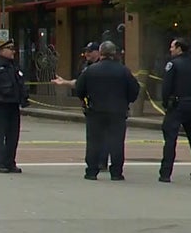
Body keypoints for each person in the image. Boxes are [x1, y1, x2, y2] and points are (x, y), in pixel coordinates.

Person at [74, 41, 140, 180]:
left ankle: (91, 171)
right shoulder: (123, 70)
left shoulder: (91, 70)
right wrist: (126, 101)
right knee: (117, 142)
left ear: (101, 53)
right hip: (117, 112)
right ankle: (116, 172)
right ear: (114, 53)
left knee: (94, 141)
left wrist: (86, 99)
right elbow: (134, 90)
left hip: (95, 111)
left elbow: (79, 89)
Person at [53, 42, 108, 170]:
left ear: (98, 52)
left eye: (90, 51)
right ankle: (95, 161)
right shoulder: (86, 67)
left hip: (102, 106)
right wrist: (65, 82)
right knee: (94, 136)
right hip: (91, 106)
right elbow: (80, 83)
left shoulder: (102, 67)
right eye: (86, 51)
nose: (87, 54)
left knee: (103, 136)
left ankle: (101, 162)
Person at [160, 38, 191, 183]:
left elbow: (166, 87)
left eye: (172, 47)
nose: (171, 50)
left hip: (177, 105)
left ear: (179, 48)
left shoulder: (173, 65)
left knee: (170, 138)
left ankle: (166, 173)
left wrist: (166, 102)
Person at [0, 39, 30, 174]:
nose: (13, 51)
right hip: (0, 105)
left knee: (13, 135)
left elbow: (20, 83)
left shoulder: (15, 66)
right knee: (0, 134)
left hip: (13, 105)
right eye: (10, 49)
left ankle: (10, 162)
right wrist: (1, 90)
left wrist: (24, 96)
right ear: (2, 51)